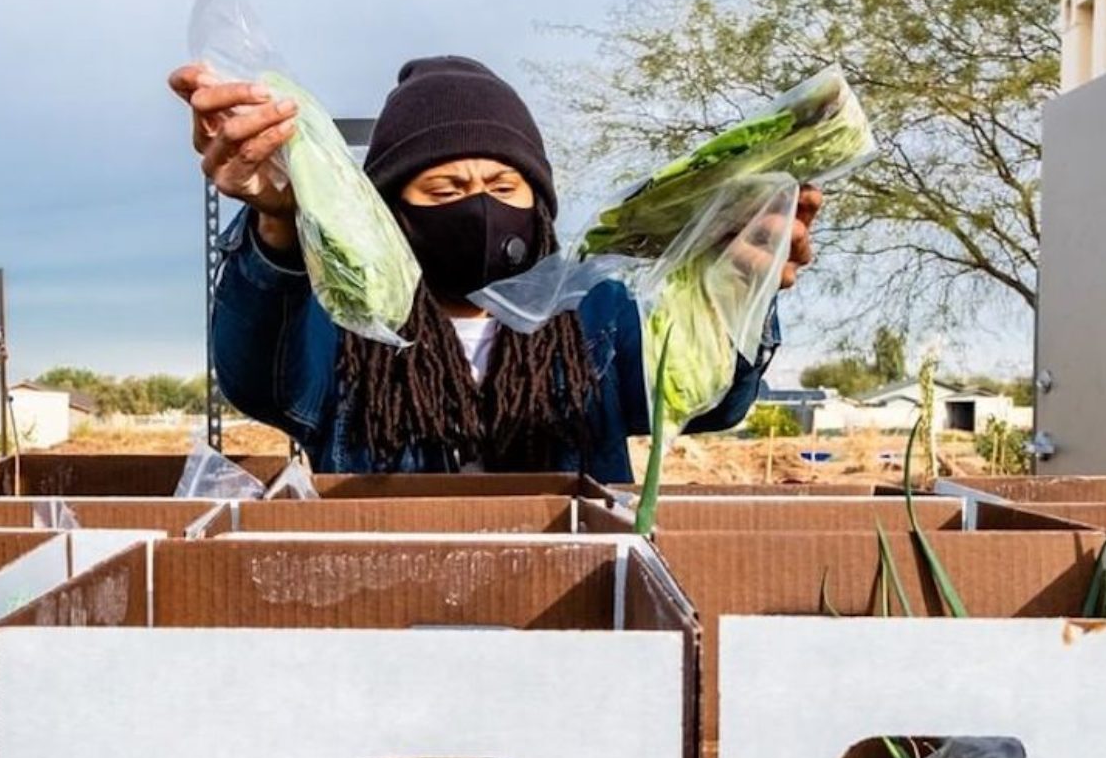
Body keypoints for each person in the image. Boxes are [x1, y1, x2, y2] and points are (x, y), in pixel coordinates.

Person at [171, 55, 821, 482]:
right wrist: (281, 222)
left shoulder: (594, 312)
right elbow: (256, 373)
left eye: (504, 186)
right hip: (387, 616)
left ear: (539, 209)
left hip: (568, 615)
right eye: (446, 191)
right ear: (391, 217)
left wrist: (740, 291)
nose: (480, 207)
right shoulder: (346, 326)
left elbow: (709, 404)